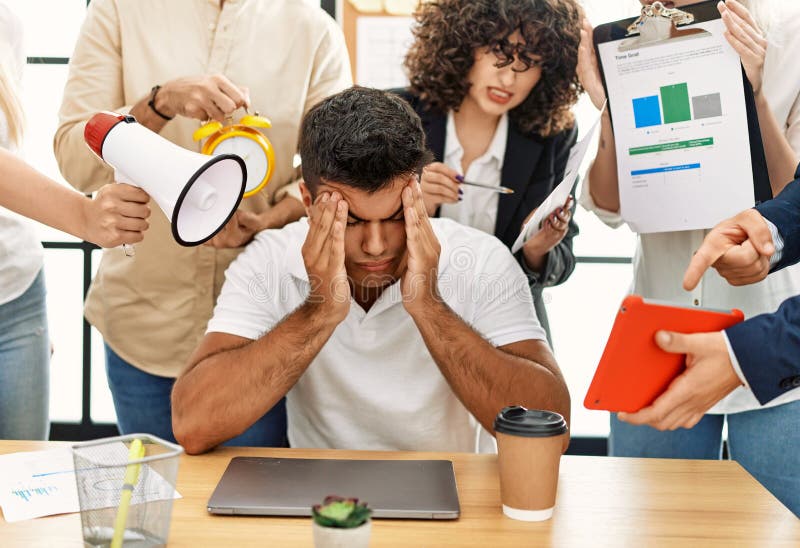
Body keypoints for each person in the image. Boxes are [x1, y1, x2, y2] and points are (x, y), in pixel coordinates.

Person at [171, 87, 571, 455]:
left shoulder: (482, 259)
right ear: (308, 201)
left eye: (396, 216)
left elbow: (553, 425)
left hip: (454, 487)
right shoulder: (270, 259)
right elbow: (192, 424)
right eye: (351, 220)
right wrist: (319, 311)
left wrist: (429, 306)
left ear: (417, 192)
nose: (376, 245)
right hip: (321, 499)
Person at [54, 0, 351, 444]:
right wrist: (159, 102)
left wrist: (271, 219)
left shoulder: (314, 30)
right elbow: (76, 163)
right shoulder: (119, 10)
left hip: (260, 332)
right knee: (154, 502)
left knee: (247, 507)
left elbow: (337, 171)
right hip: (143, 325)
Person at [577, 0, 800, 513]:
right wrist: (608, 104)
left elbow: (795, 205)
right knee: (650, 527)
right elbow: (610, 204)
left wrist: (751, 94)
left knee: (785, 524)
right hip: (658, 327)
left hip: (773, 329)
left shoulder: (789, 36)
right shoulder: (633, 39)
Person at [0, 2, 149, 440]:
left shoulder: (7, 24)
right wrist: (85, 217)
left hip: (16, 292)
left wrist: (27, 328)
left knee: (18, 489)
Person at [394, 0, 583, 343]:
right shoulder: (396, 115)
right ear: (461, 43)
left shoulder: (555, 137)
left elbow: (563, 262)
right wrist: (415, 210)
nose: (509, 76)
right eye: (498, 51)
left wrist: (537, 251)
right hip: (404, 332)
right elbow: (354, 247)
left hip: (506, 336)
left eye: (531, 62)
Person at [619, 165, 800, 516]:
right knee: (649, 524)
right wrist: (768, 231)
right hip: (659, 331)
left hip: (774, 345)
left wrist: (745, 355)